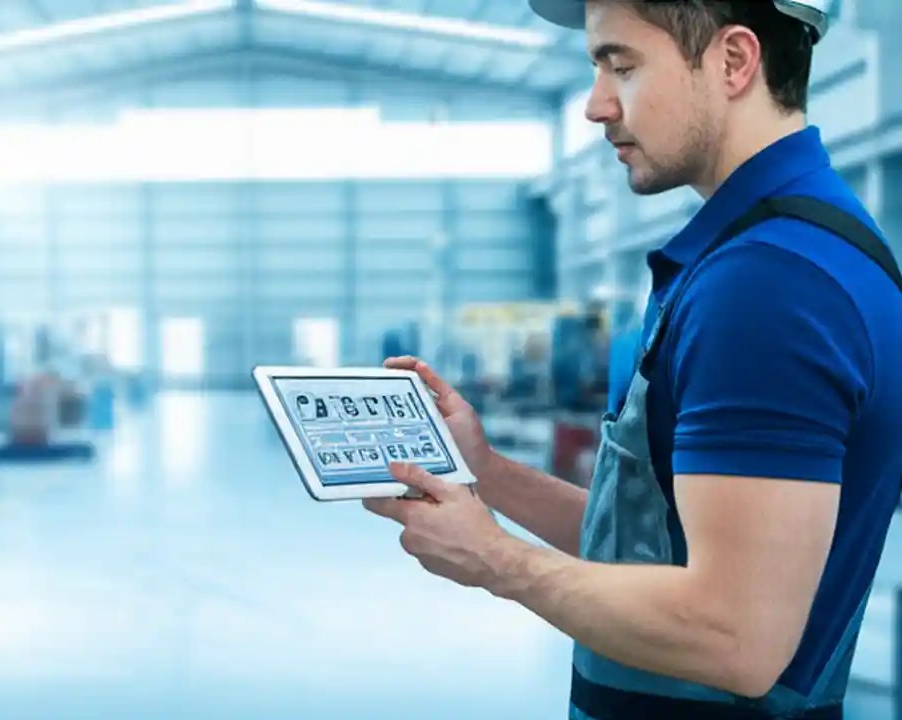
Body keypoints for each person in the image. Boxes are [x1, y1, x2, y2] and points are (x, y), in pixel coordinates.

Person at [362, 2, 902, 718]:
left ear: (735, 61)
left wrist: (495, 559)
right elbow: (659, 549)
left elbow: (735, 634)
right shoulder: (780, 250)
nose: (595, 105)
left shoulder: (770, 284)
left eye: (622, 65)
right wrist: (488, 473)